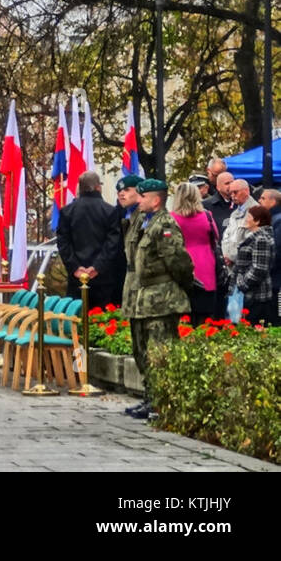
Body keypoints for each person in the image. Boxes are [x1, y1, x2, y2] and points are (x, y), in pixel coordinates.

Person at [123, 179, 193, 420]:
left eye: (143, 197)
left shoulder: (165, 224)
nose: (138, 200)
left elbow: (178, 261)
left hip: (161, 300)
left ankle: (163, 402)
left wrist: (183, 286)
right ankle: (150, 397)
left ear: (156, 200)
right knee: (141, 351)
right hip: (142, 300)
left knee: (160, 352)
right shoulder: (143, 222)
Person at [55, 170, 125, 308]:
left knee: (76, 318)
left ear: (80, 188)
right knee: (102, 321)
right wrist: (97, 267)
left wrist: (75, 267)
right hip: (104, 278)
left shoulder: (67, 211)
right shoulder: (110, 211)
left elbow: (63, 243)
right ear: (98, 187)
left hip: (76, 278)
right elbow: (112, 243)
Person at [167, 181, 223, 326]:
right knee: (205, 317)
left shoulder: (171, 218)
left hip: (181, 269)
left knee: (183, 319)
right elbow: (215, 236)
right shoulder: (207, 216)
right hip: (206, 268)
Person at [234, 204, 274, 326]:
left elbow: (259, 268)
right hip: (251, 293)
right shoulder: (255, 236)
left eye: (249, 216)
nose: (246, 219)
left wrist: (242, 284)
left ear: (257, 221)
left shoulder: (260, 238)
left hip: (257, 294)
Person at [258, 189, 281, 325]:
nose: (259, 201)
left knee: (276, 319)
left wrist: (264, 269)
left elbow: (276, 251)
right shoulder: (272, 220)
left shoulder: (277, 222)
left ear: (272, 201)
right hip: (273, 279)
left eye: (262, 198)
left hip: (276, 281)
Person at [205, 170, 234, 236]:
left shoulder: (241, 202)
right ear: (218, 187)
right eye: (227, 183)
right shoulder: (206, 205)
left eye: (232, 182)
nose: (231, 186)